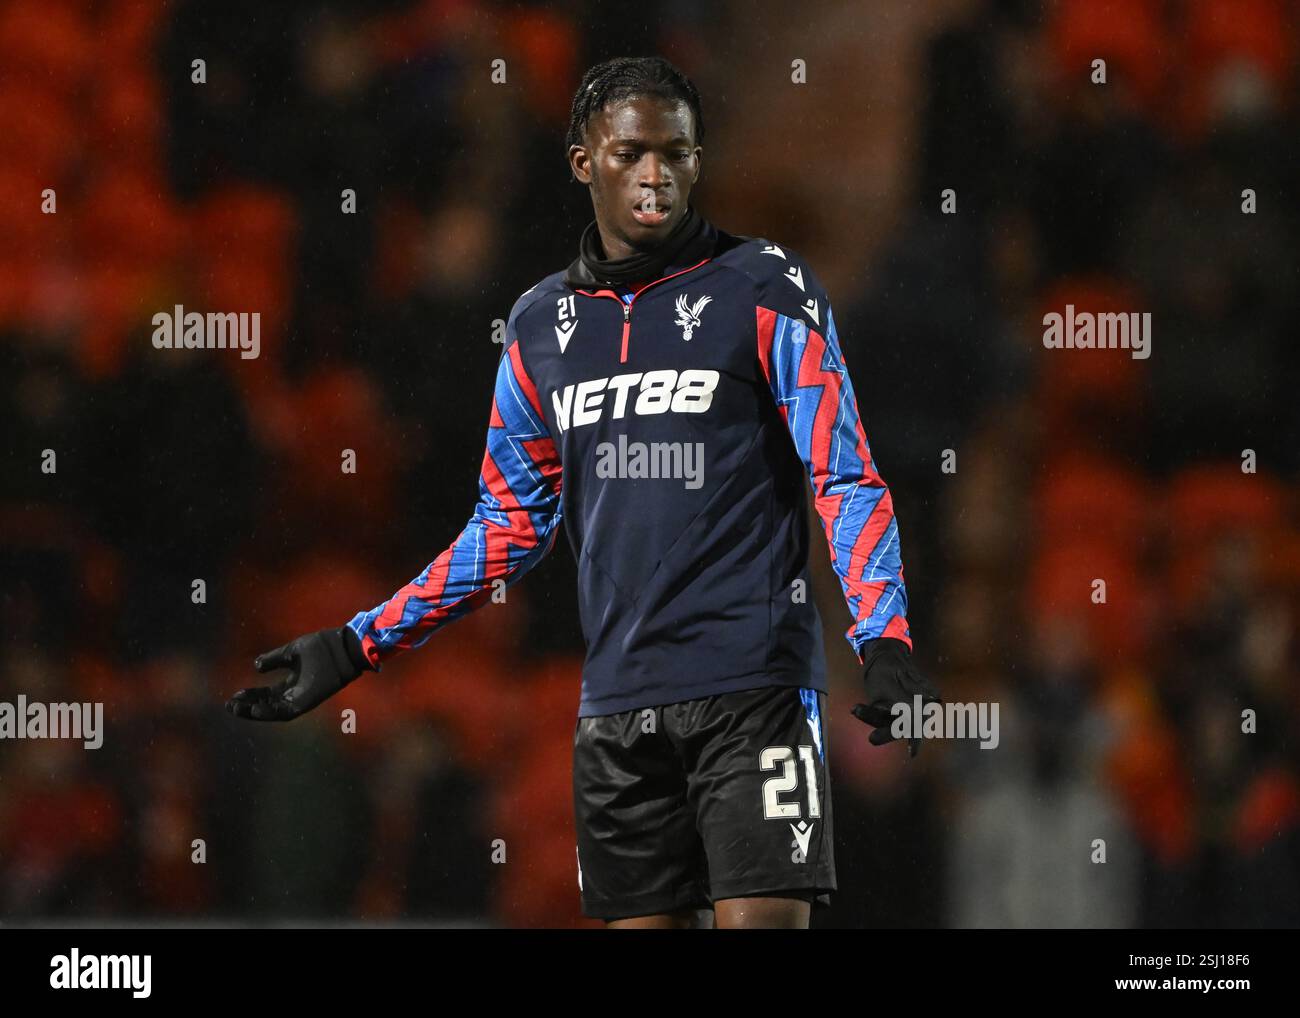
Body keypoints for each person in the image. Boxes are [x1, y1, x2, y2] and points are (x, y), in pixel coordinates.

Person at [227, 55, 939, 929]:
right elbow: (509, 525)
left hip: (753, 691)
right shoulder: (537, 328)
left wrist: (885, 637)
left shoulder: (763, 287)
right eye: (631, 152)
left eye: (676, 154)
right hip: (617, 707)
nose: (655, 175)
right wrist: (355, 645)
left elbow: (844, 473)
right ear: (581, 161)